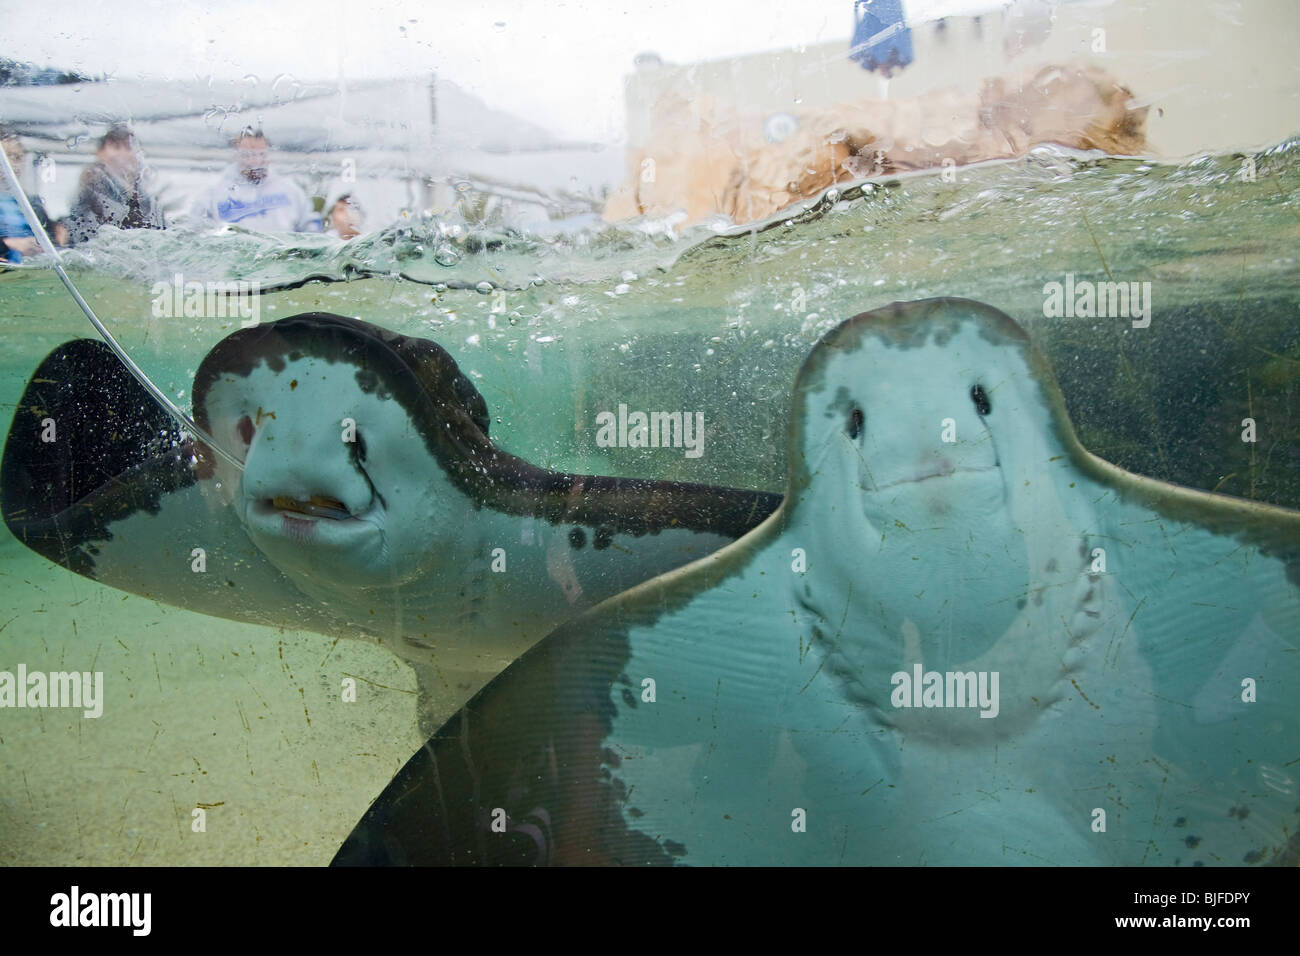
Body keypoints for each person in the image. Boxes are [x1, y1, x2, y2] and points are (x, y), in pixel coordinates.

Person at [192, 129, 322, 233]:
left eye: (261, 154)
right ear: (236, 155)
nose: (255, 161)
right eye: (248, 154)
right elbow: (195, 231)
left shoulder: (290, 191)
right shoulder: (213, 193)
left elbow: (311, 230)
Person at [64, 124, 165, 244]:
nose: (123, 153)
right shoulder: (92, 188)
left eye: (128, 147)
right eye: (116, 147)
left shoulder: (146, 196)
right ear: (100, 153)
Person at [1, 129, 66, 261]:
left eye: (17, 157)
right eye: (6, 156)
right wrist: (8, 245)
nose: (12, 164)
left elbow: (50, 240)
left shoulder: (29, 202)